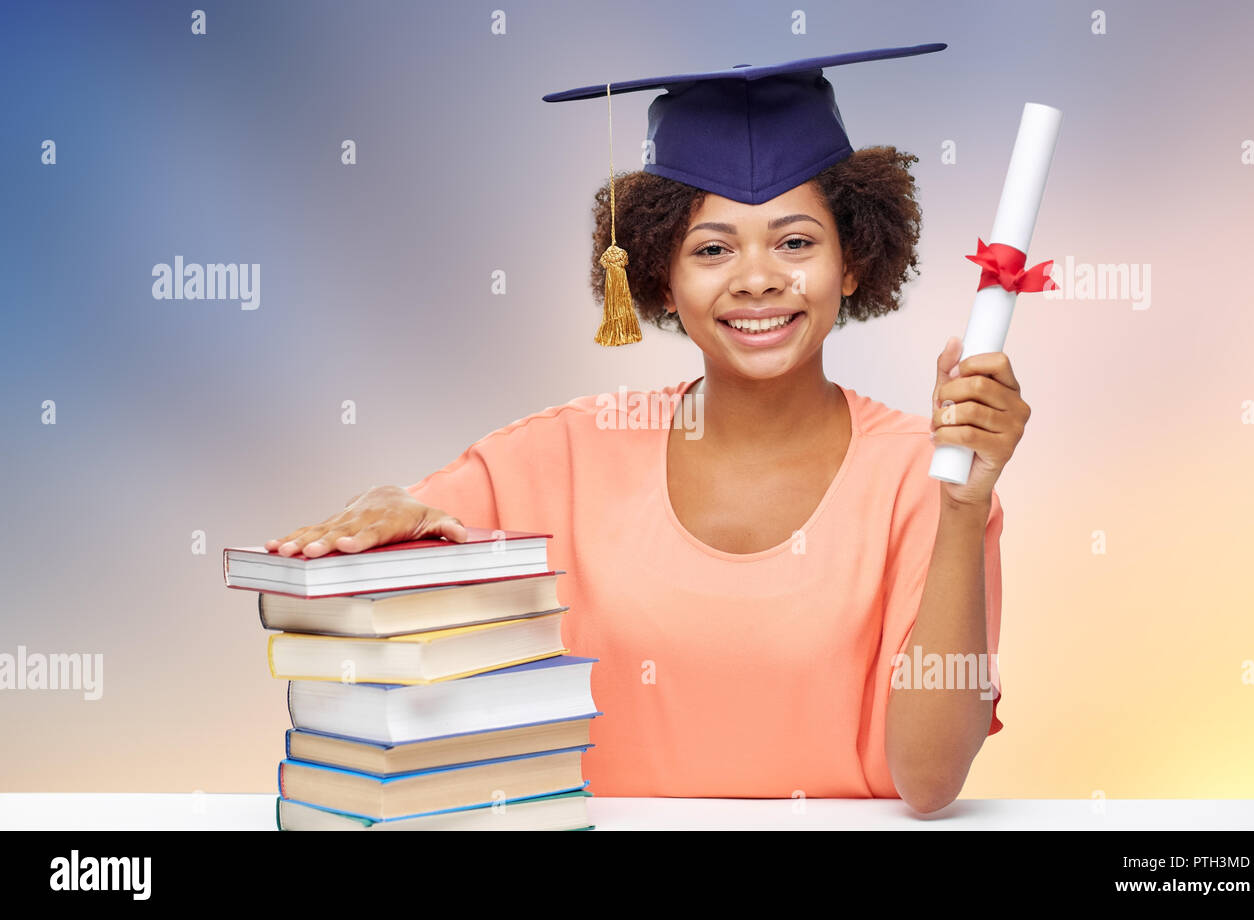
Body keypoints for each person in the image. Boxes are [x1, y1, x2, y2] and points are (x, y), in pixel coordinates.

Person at [264, 47, 1031, 812]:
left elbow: (929, 784)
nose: (758, 277)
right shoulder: (561, 456)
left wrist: (963, 511)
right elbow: (417, 537)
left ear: (853, 261)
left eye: (796, 242)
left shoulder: (927, 479)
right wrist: (389, 505)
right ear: (659, 275)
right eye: (713, 249)